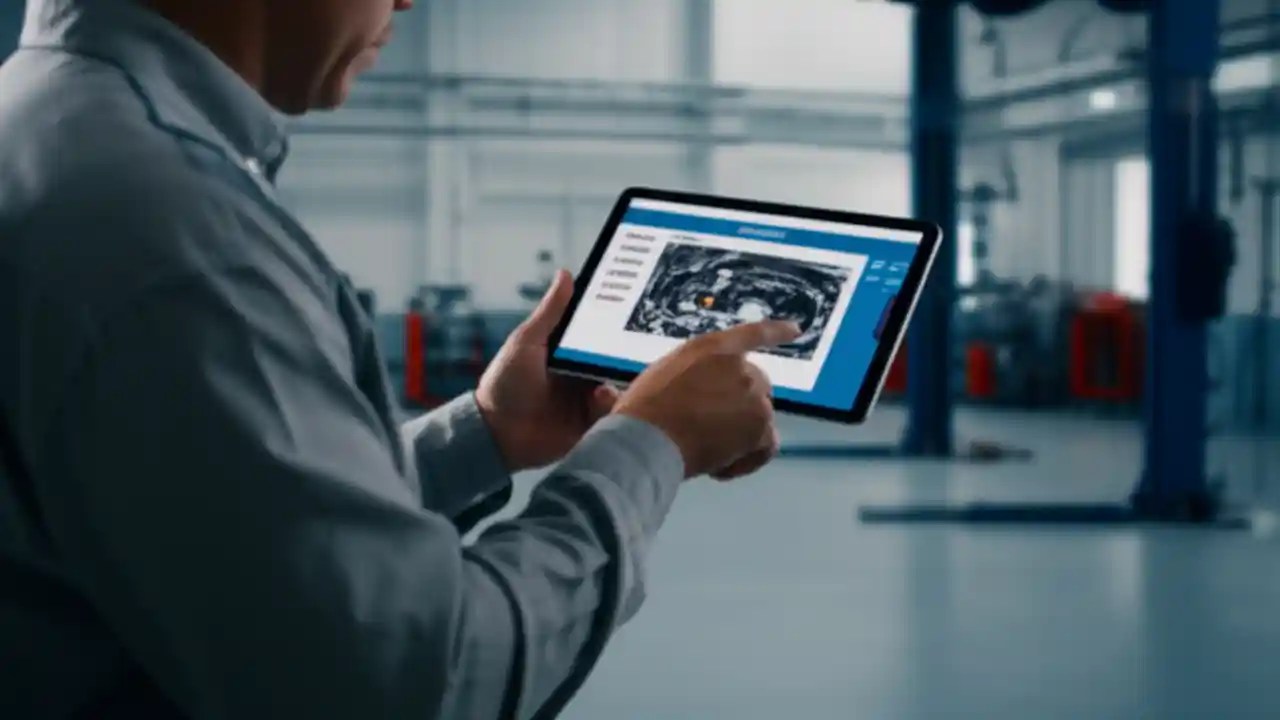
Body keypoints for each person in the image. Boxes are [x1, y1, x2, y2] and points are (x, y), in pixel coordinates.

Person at [0, 1, 799, 718]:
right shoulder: (179, 234)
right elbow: (421, 680)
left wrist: (486, 433)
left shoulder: (49, 122)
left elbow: (223, 528)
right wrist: (648, 446)